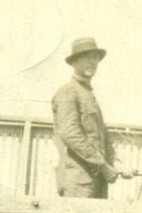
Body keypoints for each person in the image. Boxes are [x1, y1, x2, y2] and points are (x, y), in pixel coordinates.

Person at [52, 37, 131, 198]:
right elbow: (70, 134)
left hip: (97, 182)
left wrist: (116, 164)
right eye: (86, 56)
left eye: (95, 57)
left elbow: (103, 139)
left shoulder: (88, 95)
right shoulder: (68, 92)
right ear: (74, 62)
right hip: (78, 184)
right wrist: (103, 166)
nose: (92, 61)